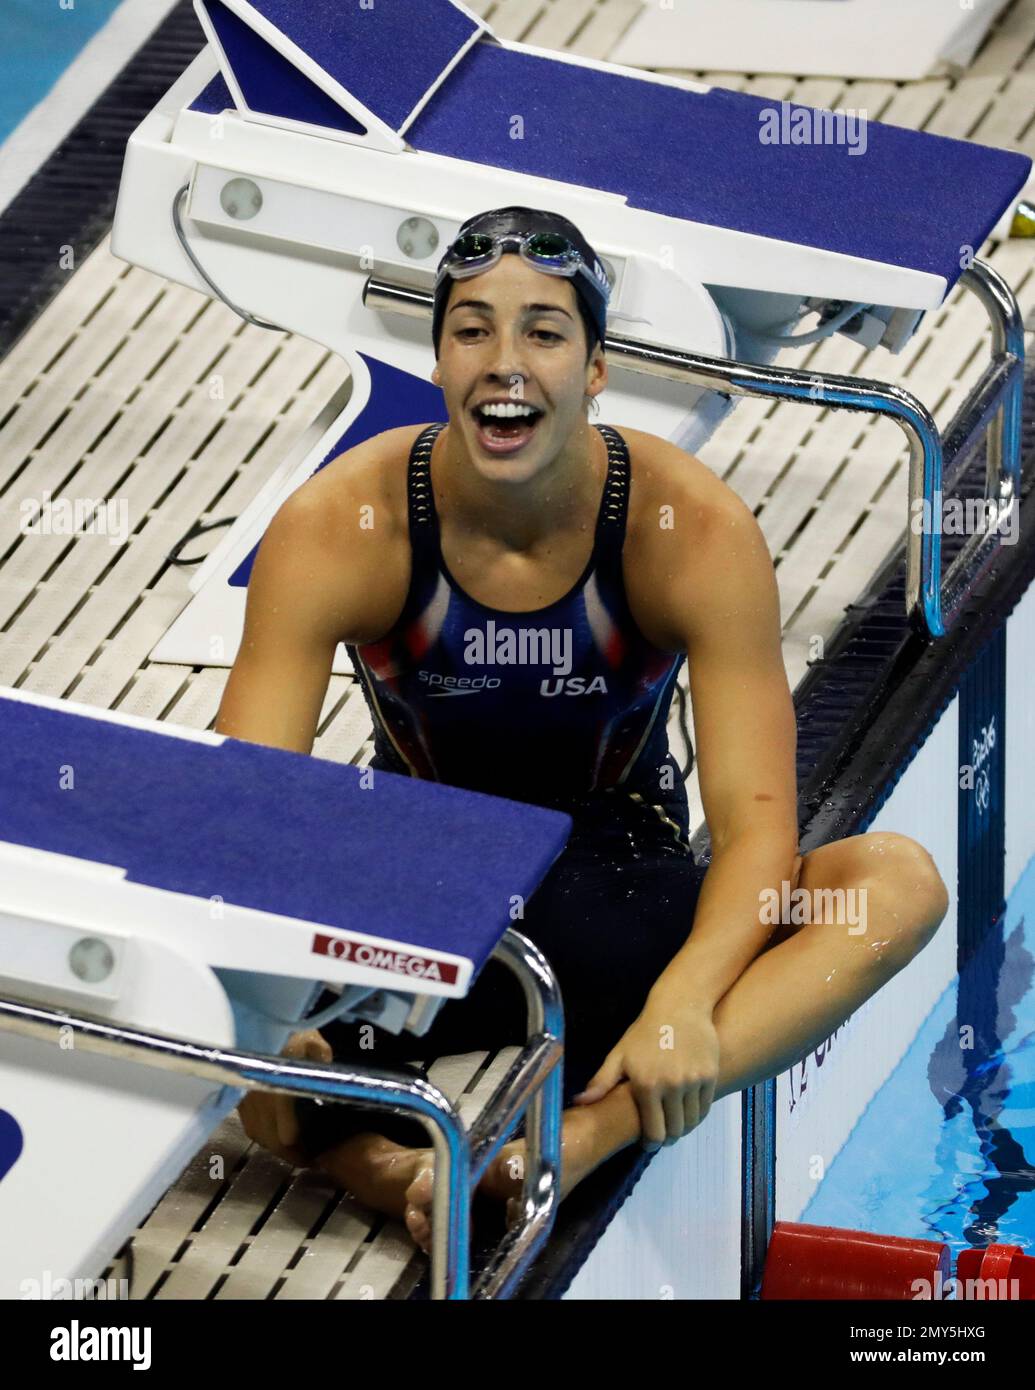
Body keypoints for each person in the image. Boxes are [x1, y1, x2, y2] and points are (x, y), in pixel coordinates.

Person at [218, 206, 949, 1252]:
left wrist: (686, 1003)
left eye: (545, 333)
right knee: (225, 1014)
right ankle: (388, 1167)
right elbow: (243, 806)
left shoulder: (689, 528)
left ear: (599, 367)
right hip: (416, 900)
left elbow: (756, 828)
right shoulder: (343, 525)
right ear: (435, 358)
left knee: (897, 883)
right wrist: (265, 978)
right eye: (472, 329)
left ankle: (576, 1138)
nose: (505, 364)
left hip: (618, 900)